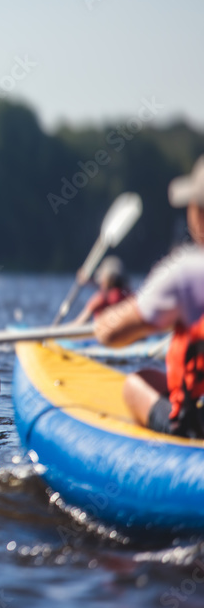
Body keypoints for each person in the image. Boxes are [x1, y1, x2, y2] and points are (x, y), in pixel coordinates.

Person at [95, 157, 204, 437]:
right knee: (161, 378)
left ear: (197, 213)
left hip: (197, 426)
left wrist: (104, 322)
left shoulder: (184, 270)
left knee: (136, 383)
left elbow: (110, 335)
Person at [70, 256, 132, 325]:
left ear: (106, 278)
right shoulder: (129, 296)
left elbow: (79, 323)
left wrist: (59, 330)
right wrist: (88, 281)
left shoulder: (101, 299)